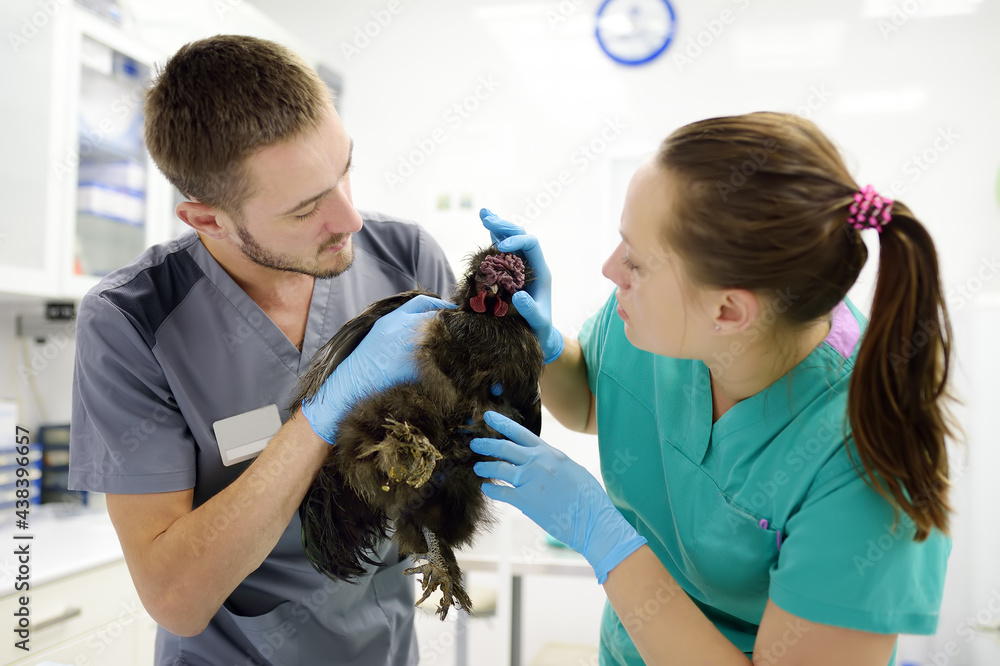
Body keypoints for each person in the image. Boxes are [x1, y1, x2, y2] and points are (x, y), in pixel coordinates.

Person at [472, 112, 956, 665]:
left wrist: (600, 534)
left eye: (634, 259)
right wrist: (544, 346)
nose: (611, 270)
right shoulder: (658, 321)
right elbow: (591, 403)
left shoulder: (867, 465)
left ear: (728, 310)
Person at [68, 35, 456, 665]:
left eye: (345, 170)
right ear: (207, 220)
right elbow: (175, 596)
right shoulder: (132, 321)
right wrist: (327, 409)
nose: (349, 219)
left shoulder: (405, 260)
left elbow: (458, 459)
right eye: (306, 209)